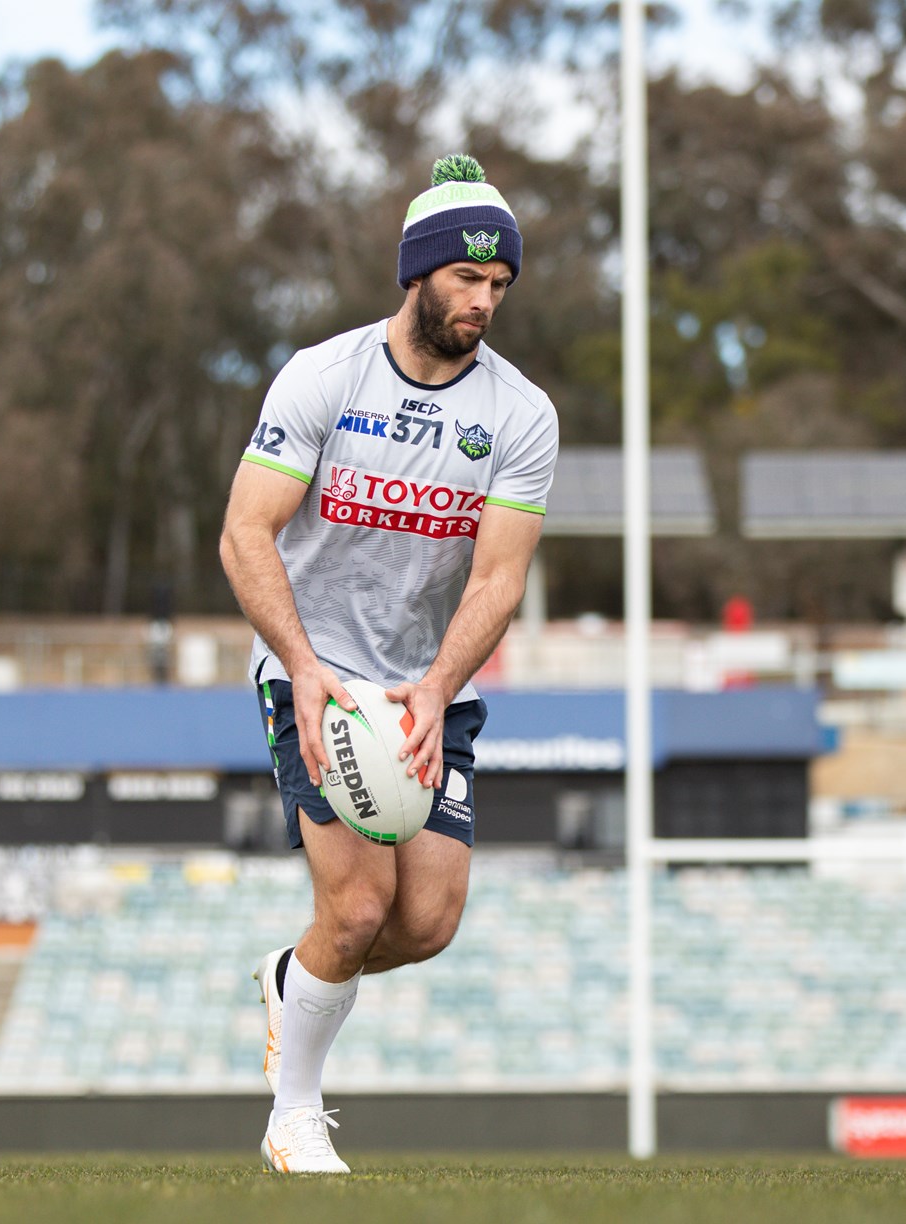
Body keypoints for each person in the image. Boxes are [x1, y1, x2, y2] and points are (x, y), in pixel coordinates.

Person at [219, 153, 559, 1174]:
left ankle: (293, 977)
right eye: (467, 279)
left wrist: (439, 685)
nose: (484, 301)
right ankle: (292, 1115)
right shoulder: (324, 379)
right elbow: (246, 534)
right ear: (418, 271)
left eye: (499, 285)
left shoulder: (520, 415)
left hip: (426, 683)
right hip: (314, 675)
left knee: (427, 919)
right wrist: (303, 666)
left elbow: (498, 581)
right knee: (359, 906)